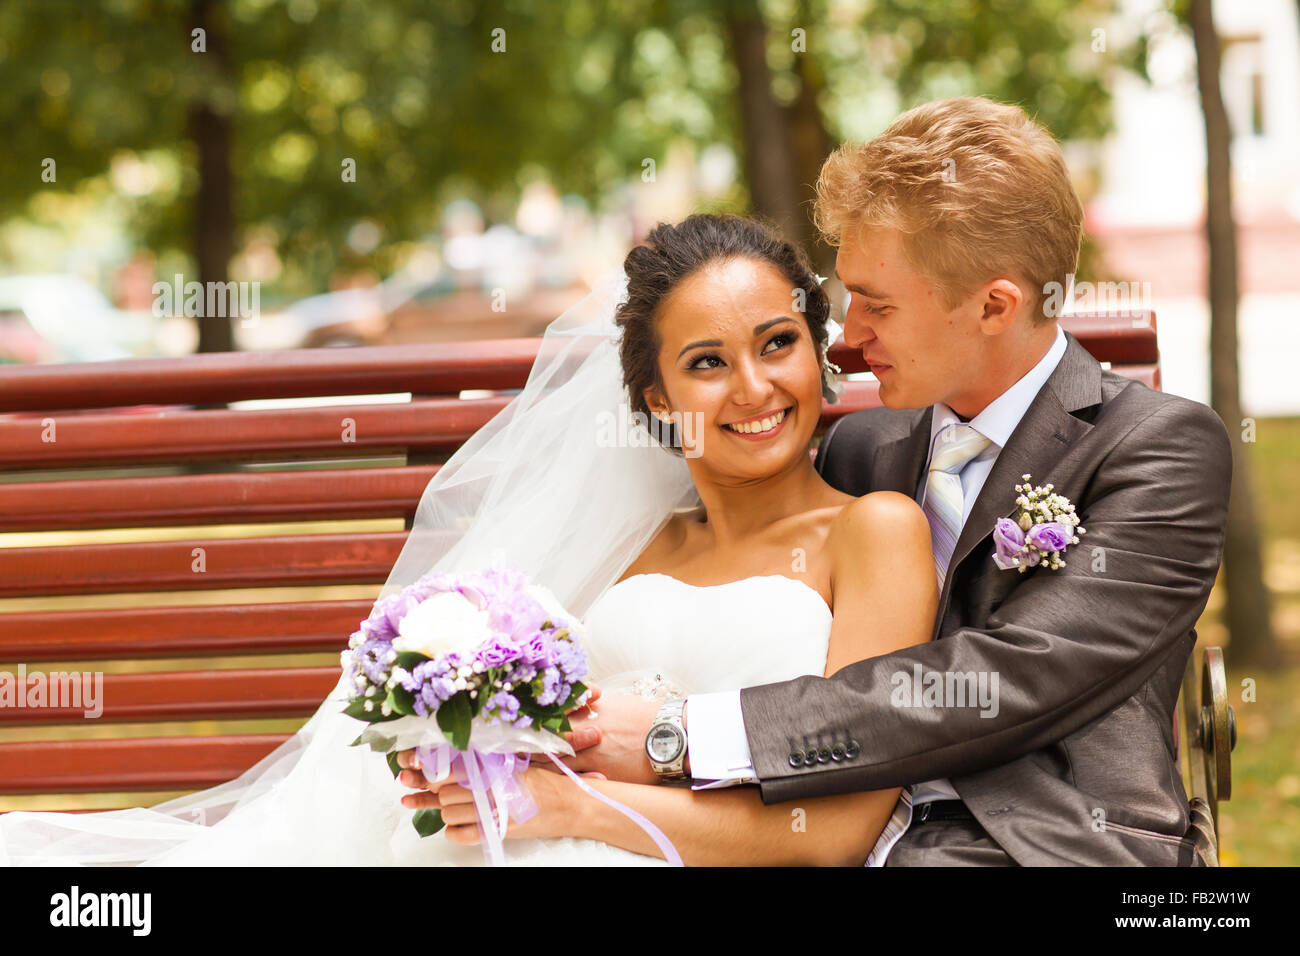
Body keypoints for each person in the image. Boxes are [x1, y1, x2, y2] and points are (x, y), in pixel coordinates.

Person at [0, 213, 937, 866]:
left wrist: (579, 808)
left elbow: (836, 832)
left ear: (819, 351)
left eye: (778, 343)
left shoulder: (872, 533)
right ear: (655, 400)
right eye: (705, 363)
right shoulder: (625, 539)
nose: (753, 387)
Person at [462, 96, 1231, 866]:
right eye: (847, 294)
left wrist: (679, 735)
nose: (850, 336)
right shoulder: (863, 448)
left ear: (995, 306)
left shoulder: (1158, 450)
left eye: (878, 304)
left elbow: (1005, 680)